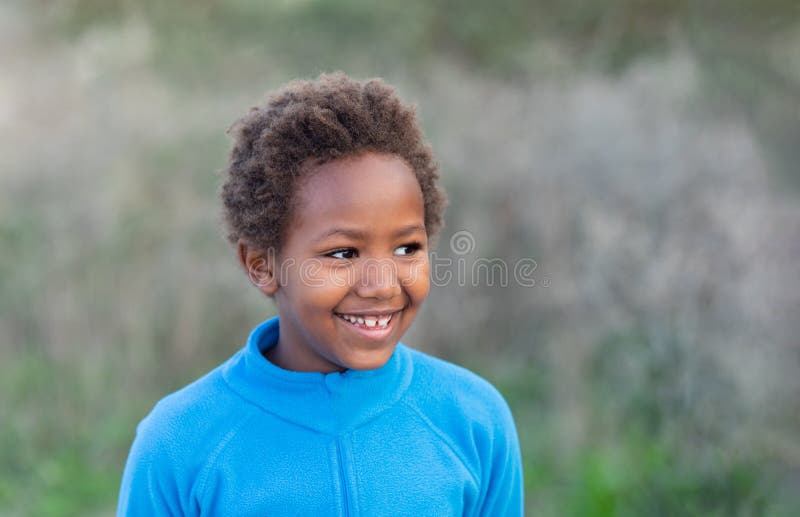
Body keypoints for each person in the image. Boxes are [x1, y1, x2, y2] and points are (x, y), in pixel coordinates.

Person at [117, 72, 524, 516]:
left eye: (407, 248)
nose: (382, 285)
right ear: (262, 264)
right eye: (343, 253)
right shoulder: (180, 444)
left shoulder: (473, 421)